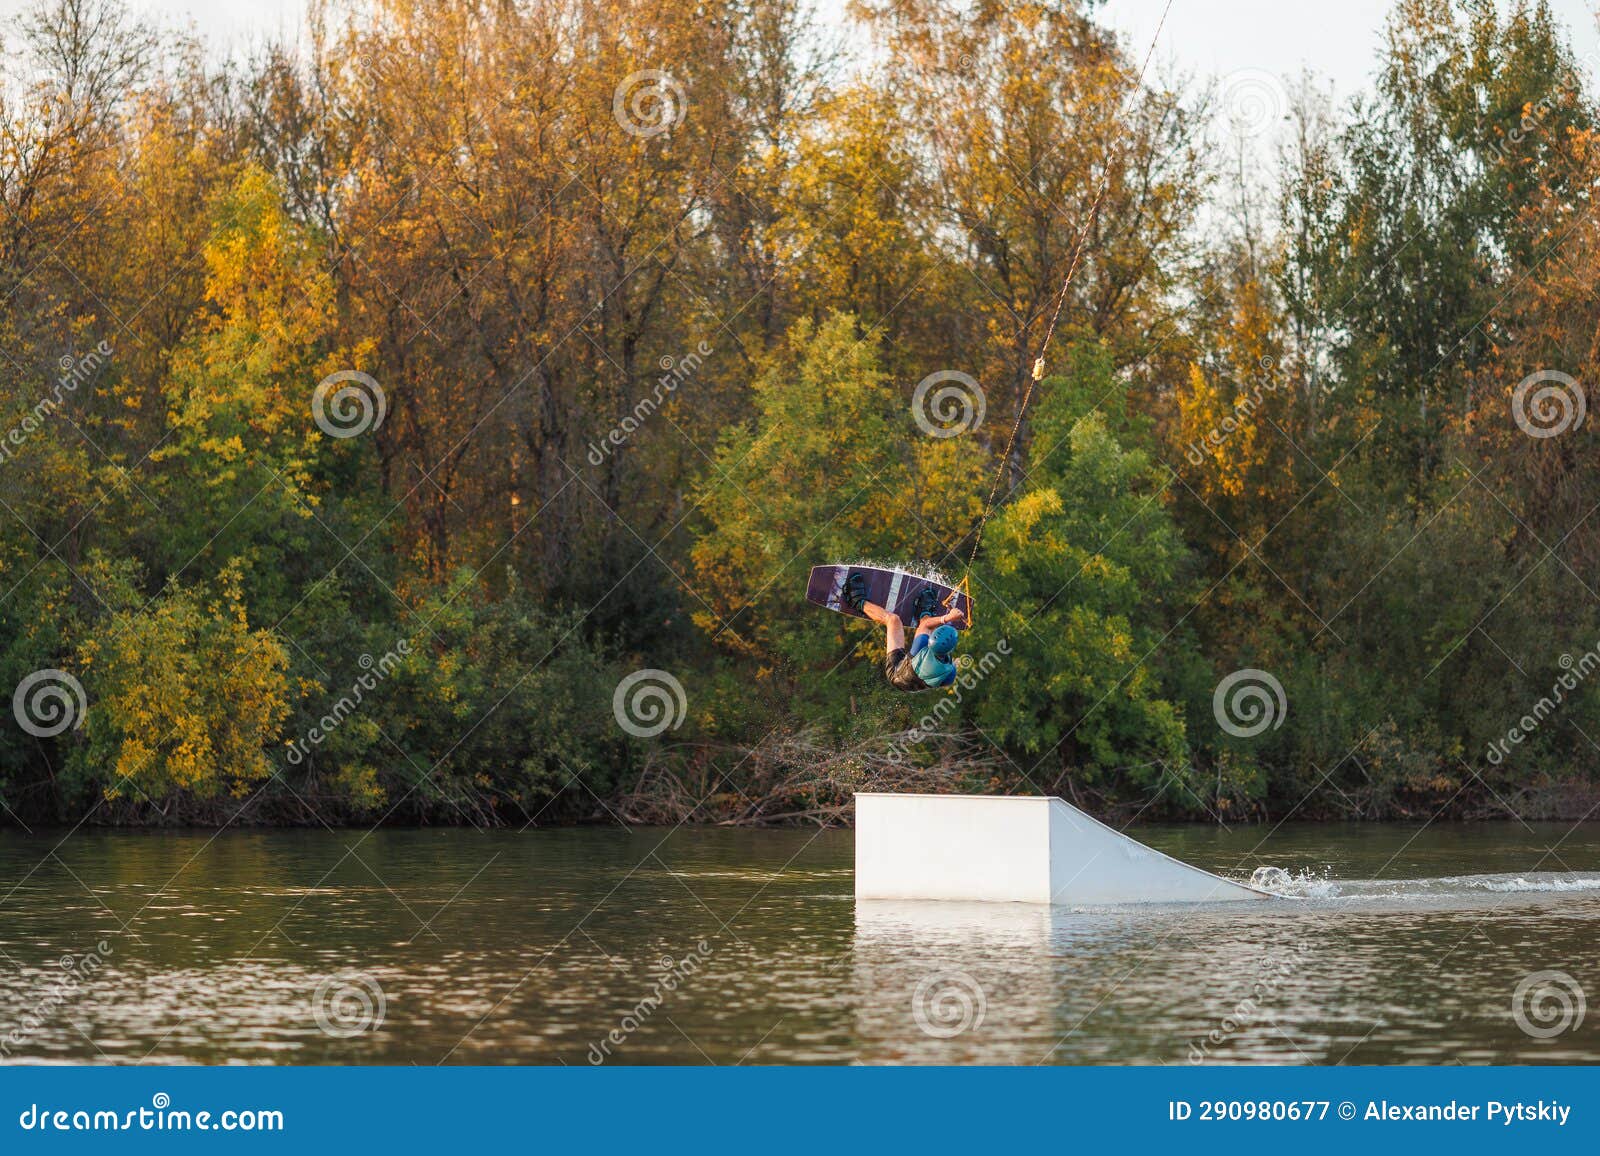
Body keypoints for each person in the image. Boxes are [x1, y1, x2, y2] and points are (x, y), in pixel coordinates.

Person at [844, 572, 965, 692]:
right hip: (914, 675)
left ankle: (857, 601)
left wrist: (947, 618)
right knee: (927, 627)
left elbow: (926, 626)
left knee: (893, 620)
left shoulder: (921, 649)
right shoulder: (949, 672)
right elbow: (943, 681)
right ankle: (923, 612)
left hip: (897, 674)